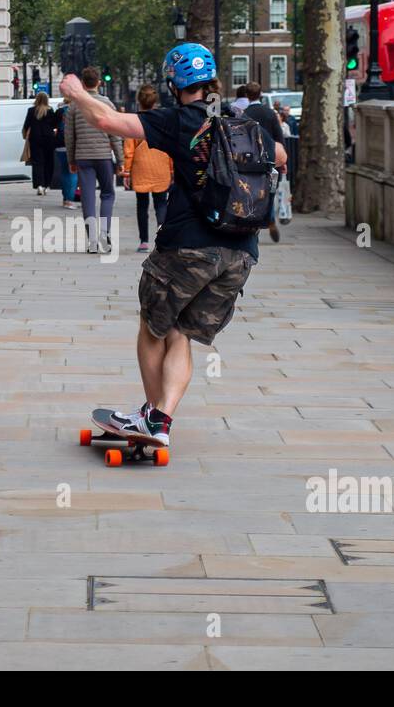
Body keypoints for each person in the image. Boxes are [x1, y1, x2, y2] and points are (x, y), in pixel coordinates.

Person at [59, 43, 286, 448]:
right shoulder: (241, 119)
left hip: (187, 246)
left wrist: (77, 93)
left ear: (173, 83)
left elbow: (109, 121)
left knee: (151, 328)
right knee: (181, 332)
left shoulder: (180, 120)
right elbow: (280, 155)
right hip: (239, 251)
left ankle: (152, 419)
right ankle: (160, 417)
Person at [63, 67, 122, 252]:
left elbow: (69, 136)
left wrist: (71, 159)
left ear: (83, 83)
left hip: (83, 157)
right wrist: (120, 160)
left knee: (87, 198)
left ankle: (92, 242)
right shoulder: (107, 103)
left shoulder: (74, 106)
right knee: (107, 194)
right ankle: (105, 236)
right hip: (103, 156)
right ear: (98, 83)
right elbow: (115, 134)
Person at [123, 84, 173, 253]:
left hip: (141, 166)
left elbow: (129, 150)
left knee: (142, 205)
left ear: (139, 101)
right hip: (161, 165)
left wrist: (127, 171)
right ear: (155, 101)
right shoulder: (165, 120)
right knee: (161, 204)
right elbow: (171, 146)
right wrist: (172, 168)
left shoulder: (135, 121)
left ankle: (143, 241)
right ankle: (162, 236)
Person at [241, 82, 286, 242]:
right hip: (270, 160)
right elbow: (278, 138)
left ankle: (255, 224)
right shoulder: (270, 113)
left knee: (252, 194)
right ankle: (270, 218)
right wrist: (283, 160)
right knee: (269, 192)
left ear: (247, 95)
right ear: (260, 94)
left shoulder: (244, 114)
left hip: (251, 162)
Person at [22, 92, 58, 195]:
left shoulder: (31, 110)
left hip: (35, 139)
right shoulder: (50, 110)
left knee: (37, 163)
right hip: (49, 139)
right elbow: (54, 124)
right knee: (48, 162)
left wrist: (25, 136)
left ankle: (39, 185)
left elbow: (26, 125)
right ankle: (46, 185)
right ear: (47, 100)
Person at [53, 96, 78, 209]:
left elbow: (52, 126)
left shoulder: (59, 111)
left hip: (60, 144)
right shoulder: (77, 110)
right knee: (73, 172)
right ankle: (69, 199)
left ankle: (65, 198)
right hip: (73, 145)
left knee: (64, 172)